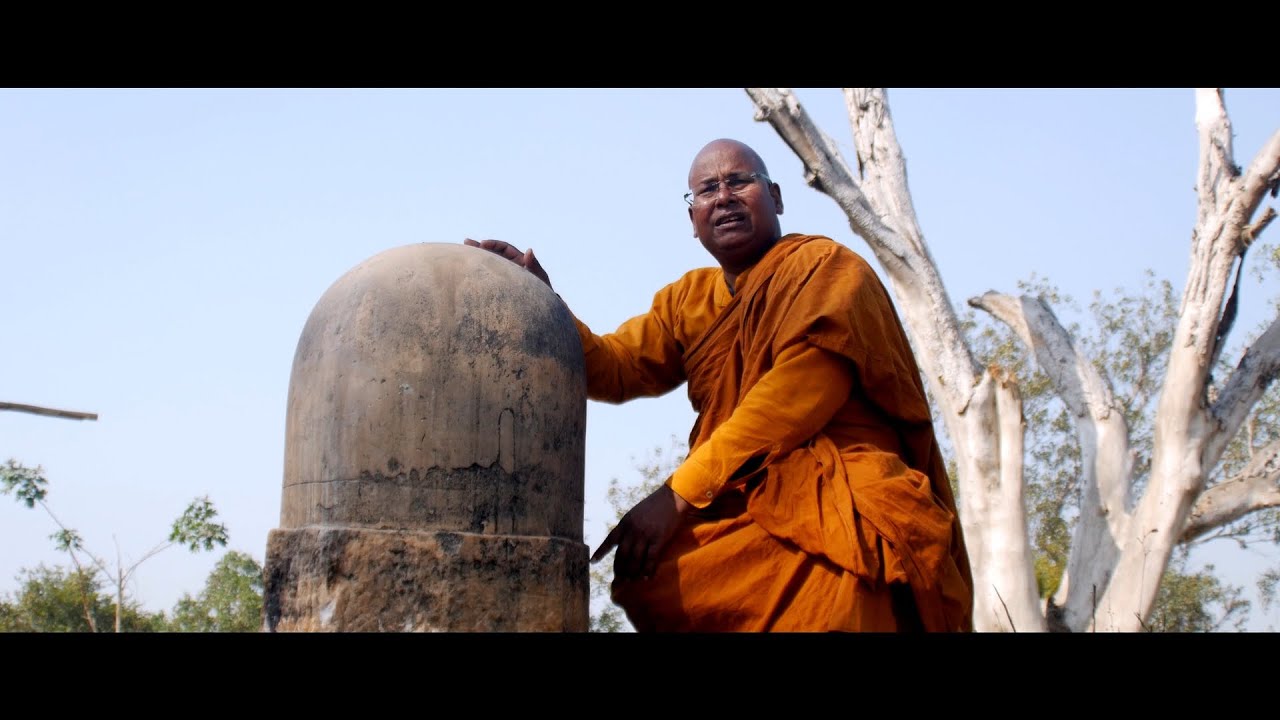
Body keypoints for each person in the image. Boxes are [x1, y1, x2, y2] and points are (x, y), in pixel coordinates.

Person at [464, 138, 973, 632]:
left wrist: (677, 494)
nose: (724, 197)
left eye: (740, 181)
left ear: (775, 197)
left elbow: (799, 395)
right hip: (745, 492)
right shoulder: (688, 300)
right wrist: (544, 302)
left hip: (843, 492)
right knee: (657, 578)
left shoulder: (829, 272)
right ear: (692, 220)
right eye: (707, 190)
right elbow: (615, 367)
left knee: (837, 585)